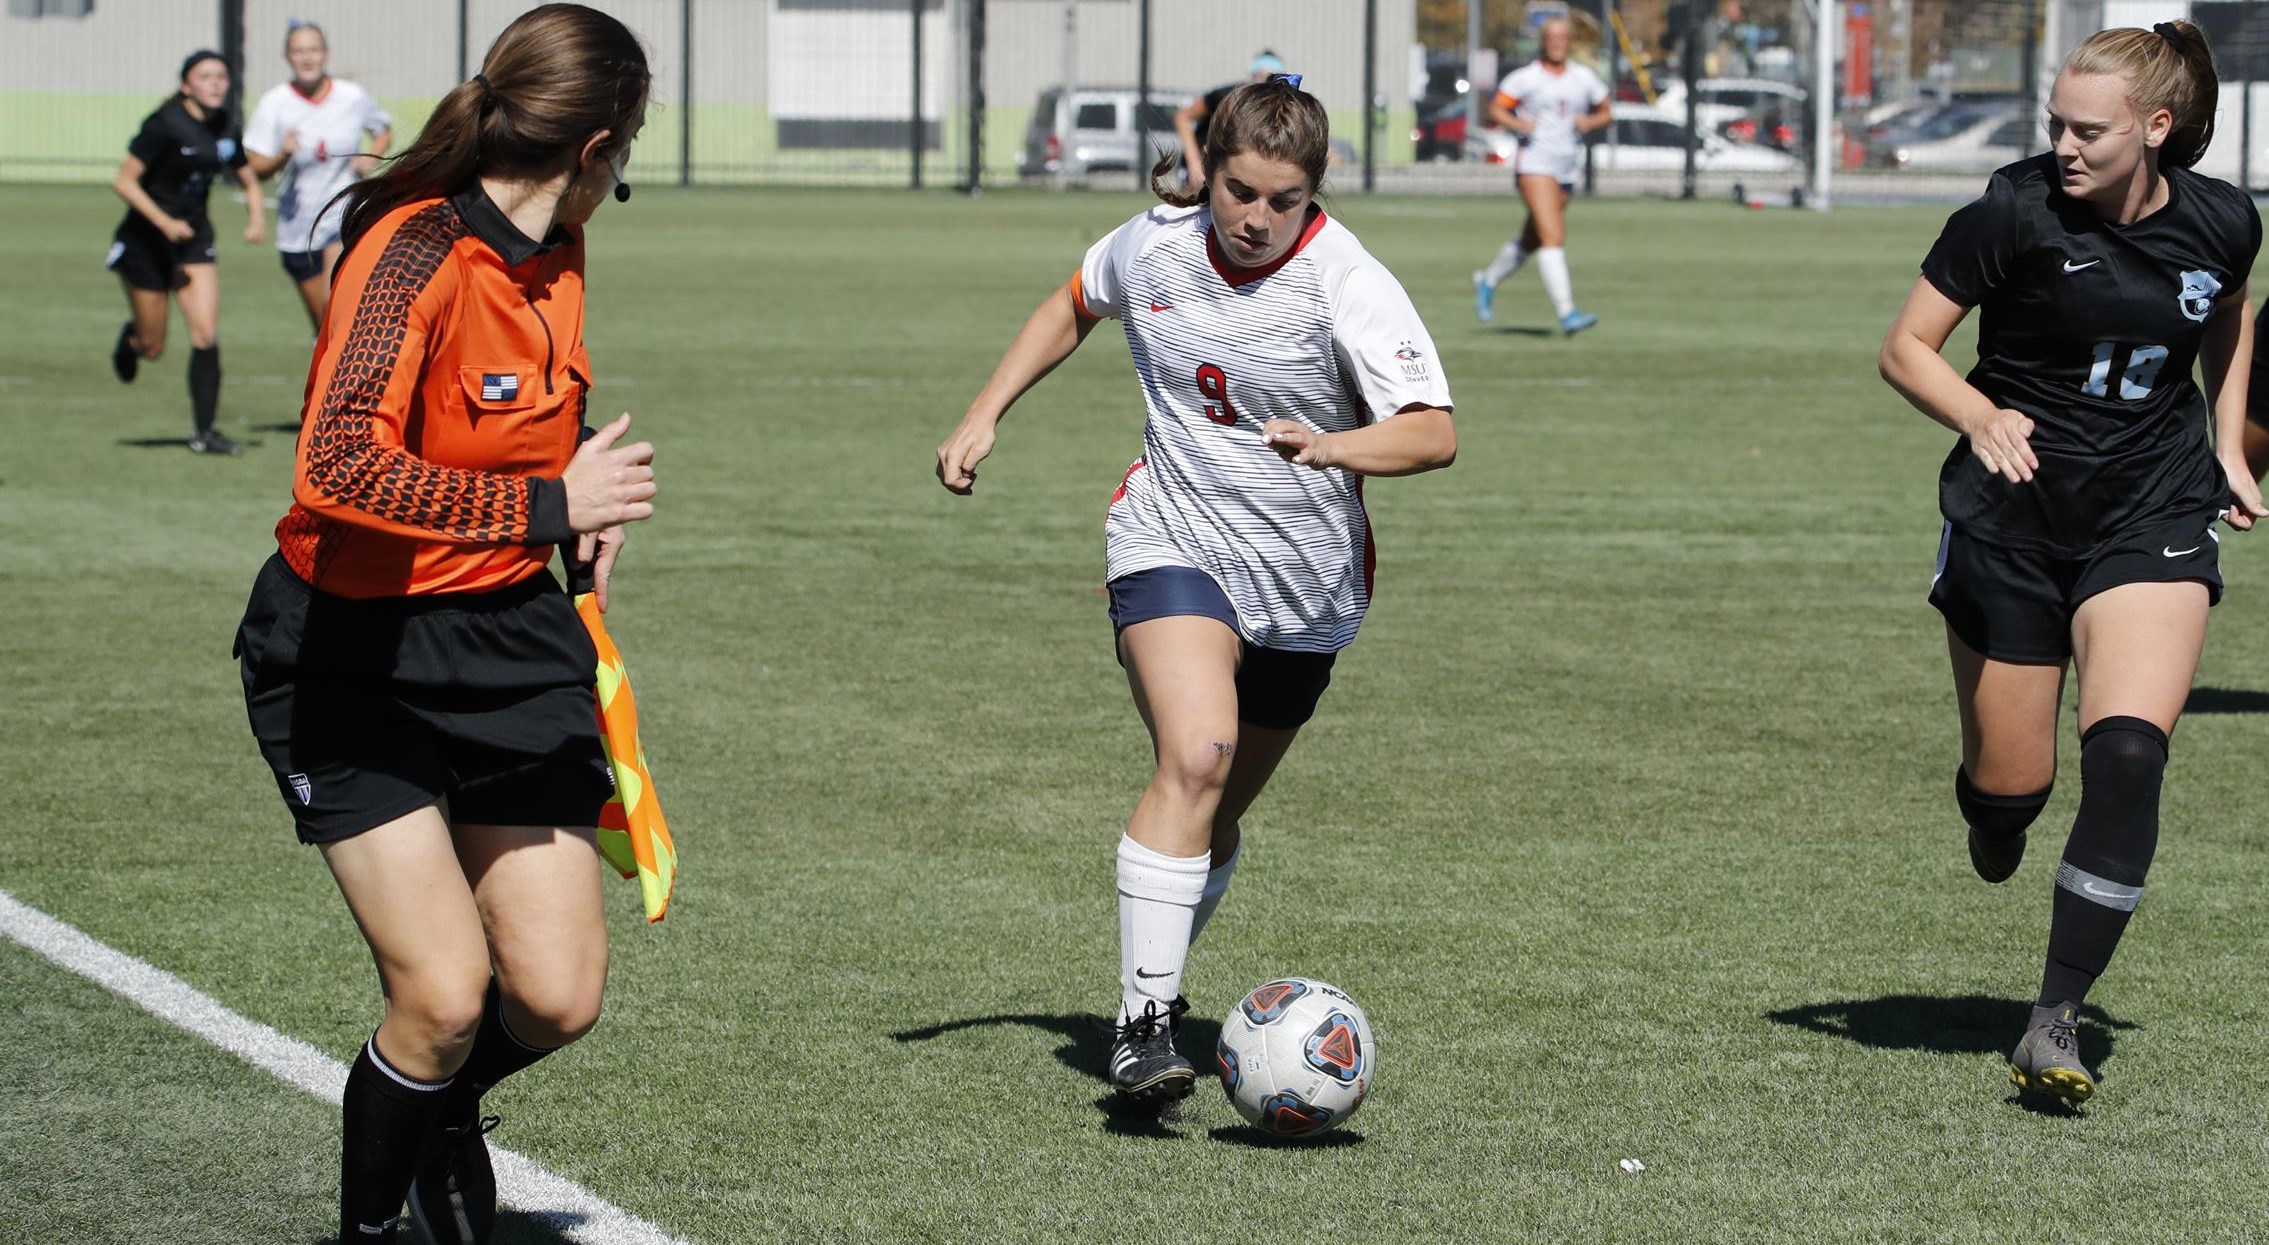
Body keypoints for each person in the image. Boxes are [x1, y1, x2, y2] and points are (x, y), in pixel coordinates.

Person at [936, 75, 1456, 1104]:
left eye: (1284, 201)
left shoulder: (1347, 280)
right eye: (1239, 191)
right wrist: (984, 411)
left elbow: (1432, 433)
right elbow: (1073, 300)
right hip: (1170, 537)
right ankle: (1143, 1029)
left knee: (1214, 816)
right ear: (1207, 169)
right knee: (1197, 753)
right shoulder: (1154, 244)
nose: (1257, 218)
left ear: (1313, 194)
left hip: (1306, 585)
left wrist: (1333, 445)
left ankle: (1155, 984)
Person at [231, 6, 654, 1240]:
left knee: (558, 995)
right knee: (443, 996)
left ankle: (437, 1109)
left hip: (508, 641)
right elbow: (335, 468)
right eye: (628, 148)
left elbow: (515, 411)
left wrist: (576, 497)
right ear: (595, 146)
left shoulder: (561, 243)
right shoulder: (409, 248)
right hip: (350, 650)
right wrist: (548, 503)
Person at [1877, 20, 2259, 1105]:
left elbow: (2229, 318)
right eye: (2055, 124)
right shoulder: (2011, 211)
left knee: (2129, 755)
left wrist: (2228, 444)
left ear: (2156, 127)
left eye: (2087, 130)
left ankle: (2053, 1018)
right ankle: (1993, 816)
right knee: (2012, 792)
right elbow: (1905, 347)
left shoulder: (2224, 218)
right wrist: (1978, 413)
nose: (2063, 145)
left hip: (2151, 511)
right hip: (2012, 521)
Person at [106, 50, 266, 455]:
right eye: (205, 76)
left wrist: (256, 218)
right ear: (186, 85)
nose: (215, 83)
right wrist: (164, 223)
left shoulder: (225, 126)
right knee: (153, 347)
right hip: (146, 243)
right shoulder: (165, 124)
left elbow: (248, 177)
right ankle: (132, 340)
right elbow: (124, 182)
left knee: (205, 334)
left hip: (193, 241)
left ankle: (204, 433)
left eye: (221, 76)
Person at [244, 19, 394, 333]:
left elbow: (382, 130)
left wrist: (370, 156)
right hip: (297, 226)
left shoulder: (351, 96)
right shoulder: (275, 103)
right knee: (323, 323)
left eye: (313, 50)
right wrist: (283, 154)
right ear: (287, 57)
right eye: (299, 51)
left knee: (334, 307)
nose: (307, 58)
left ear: (326, 54)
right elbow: (256, 167)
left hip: (341, 216)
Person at [1470, 16, 1610, 335]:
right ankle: (1567, 312)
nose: (1557, 43)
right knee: (1553, 237)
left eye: (1563, 37)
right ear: (1544, 41)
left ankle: (1487, 280)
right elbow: (1497, 109)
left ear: (1570, 42)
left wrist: (1590, 122)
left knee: (1533, 239)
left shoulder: (1583, 77)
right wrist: (1519, 124)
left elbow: (1607, 112)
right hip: (1535, 164)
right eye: (1552, 37)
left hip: (1566, 167)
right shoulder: (1527, 78)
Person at [1173, 50, 1287, 190]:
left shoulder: (1277, 107)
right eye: (1261, 77)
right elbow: (1183, 117)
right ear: (1253, 76)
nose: (1265, 85)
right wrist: (1194, 164)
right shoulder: (1228, 96)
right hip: (1204, 167)